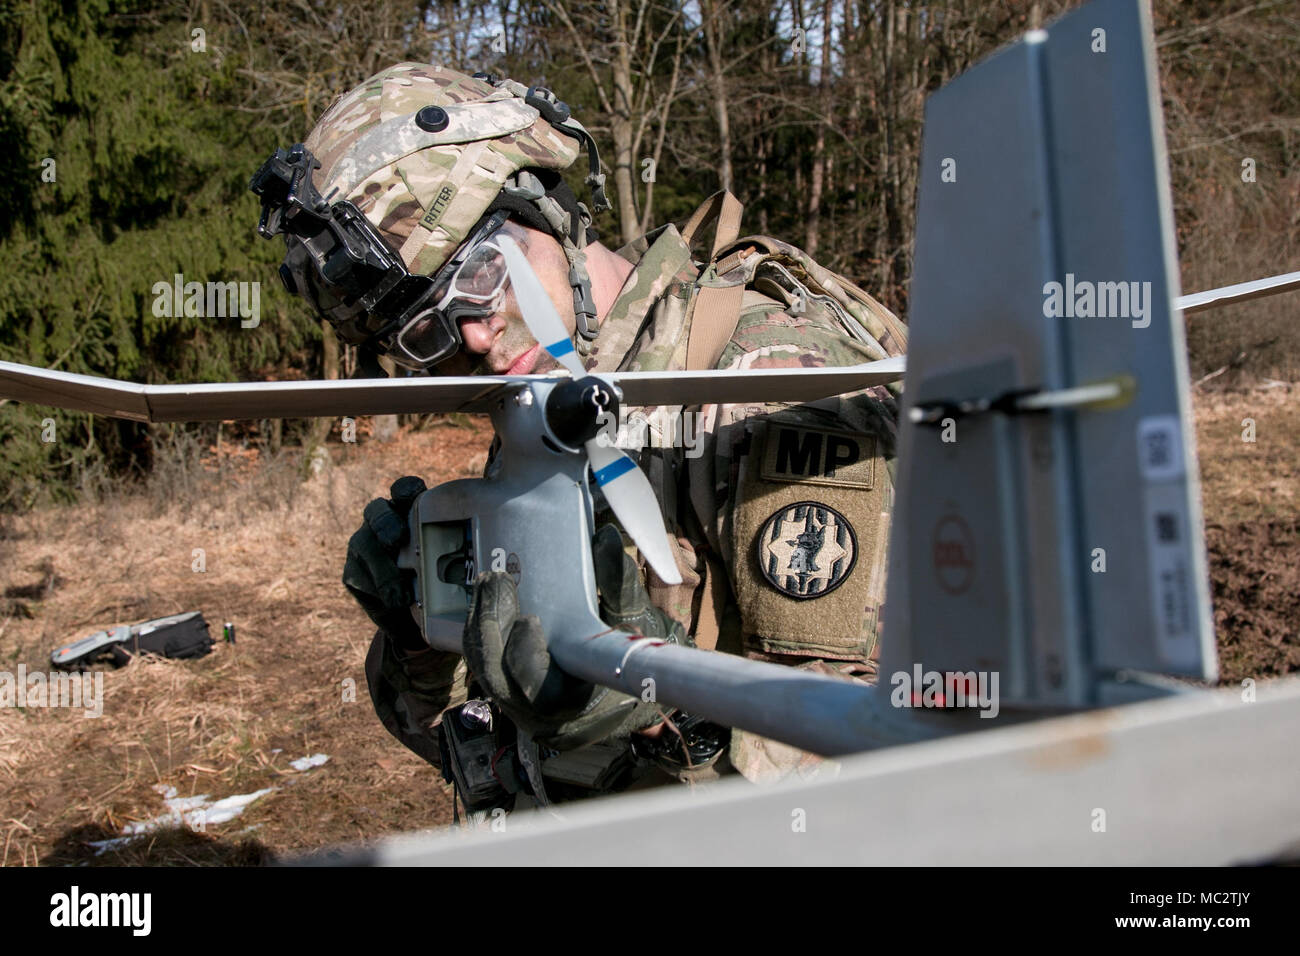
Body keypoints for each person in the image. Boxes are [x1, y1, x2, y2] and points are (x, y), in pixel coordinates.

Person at [249, 63, 907, 809]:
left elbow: (868, 763)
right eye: (426, 330)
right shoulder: (545, 414)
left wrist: (664, 723)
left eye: (480, 276)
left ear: (544, 209)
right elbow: (474, 745)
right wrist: (416, 642)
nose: (476, 335)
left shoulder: (765, 379)